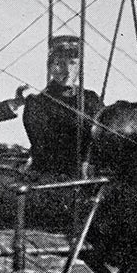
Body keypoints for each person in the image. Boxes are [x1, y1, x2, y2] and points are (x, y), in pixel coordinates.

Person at [22, 35, 105, 176]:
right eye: (59, 63)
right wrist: (84, 162)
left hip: (89, 174)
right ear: (50, 68)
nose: (67, 71)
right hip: (52, 176)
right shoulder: (36, 103)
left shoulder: (91, 98)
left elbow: (103, 137)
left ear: (80, 67)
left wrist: (90, 161)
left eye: (72, 63)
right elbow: (44, 149)